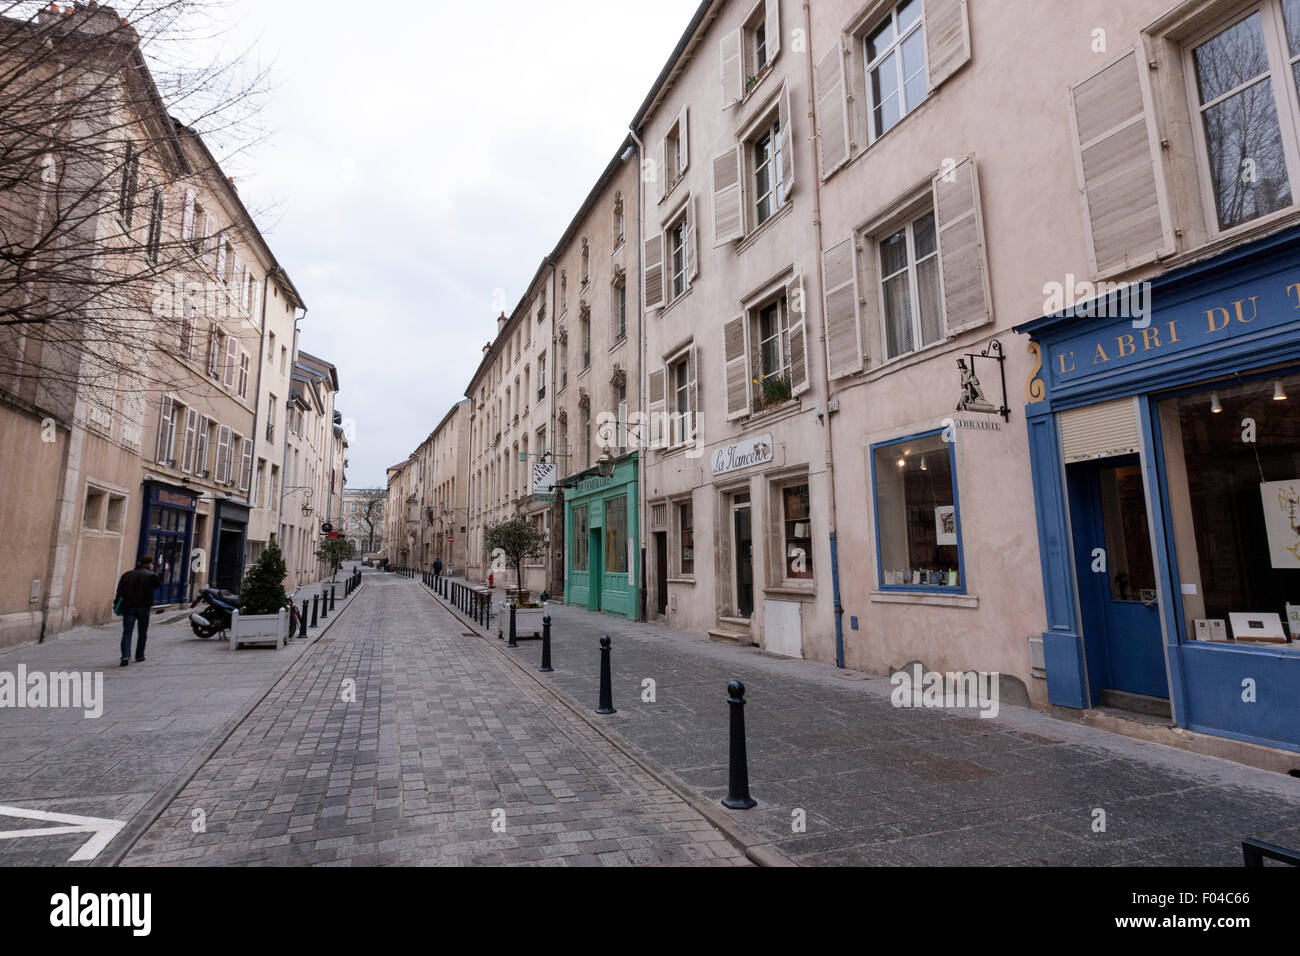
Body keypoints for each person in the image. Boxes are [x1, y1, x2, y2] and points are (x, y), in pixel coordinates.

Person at [115, 555, 161, 666]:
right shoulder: (151, 575)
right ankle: (139, 655)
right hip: (143, 607)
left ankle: (125, 656)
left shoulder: (126, 575)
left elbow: (119, 591)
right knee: (142, 632)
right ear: (149, 564)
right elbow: (156, 585)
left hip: (128, 607)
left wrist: (117, 604)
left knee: (127, 631)